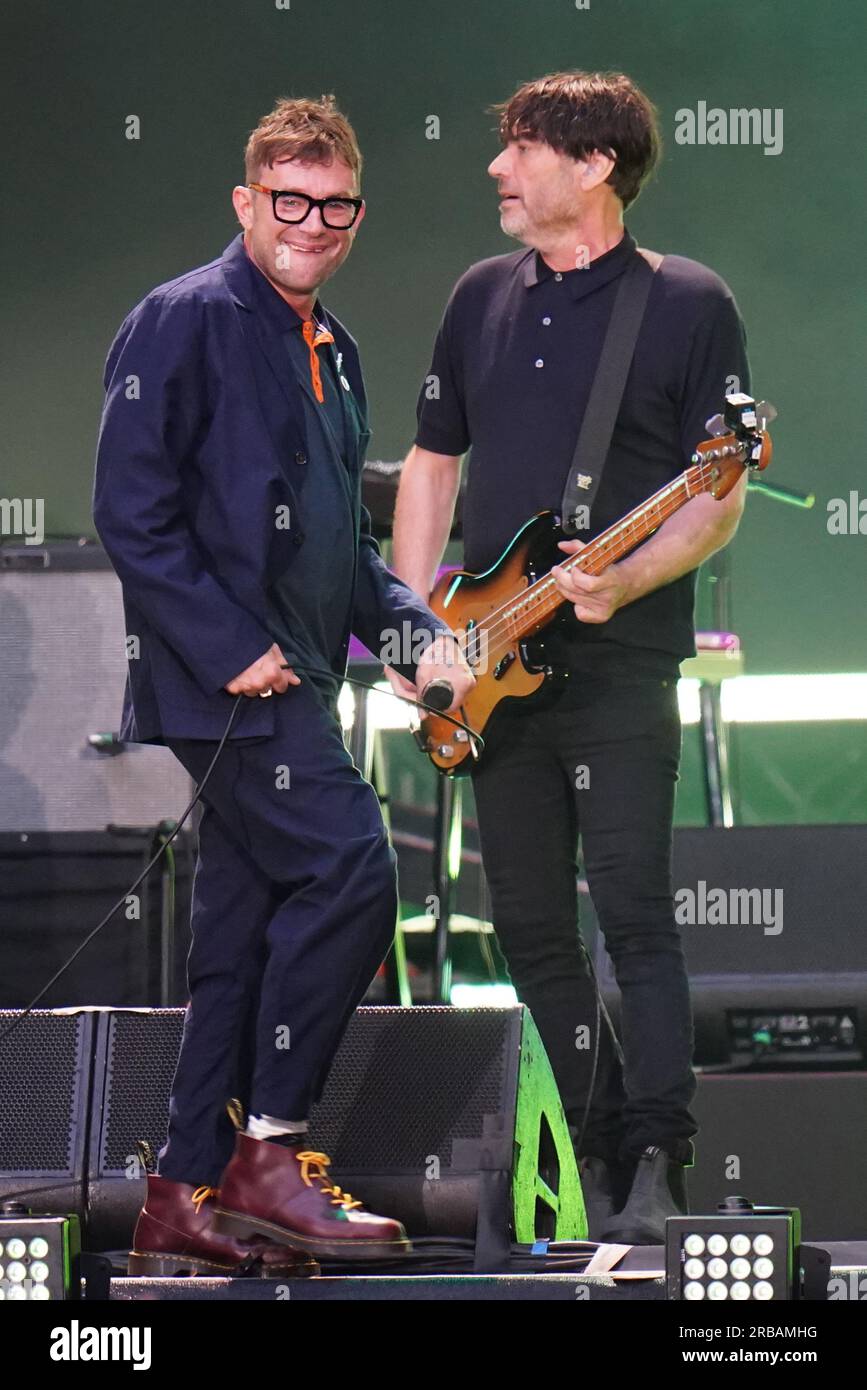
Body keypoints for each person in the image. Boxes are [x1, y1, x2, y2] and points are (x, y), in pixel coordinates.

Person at [93, 94, 474, 1274]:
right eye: (290, 202)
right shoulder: (183, 322)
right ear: (248, 203)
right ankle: (269, 1152)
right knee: (357, 869)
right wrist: (224, 643)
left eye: (335, 206)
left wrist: (415, 638)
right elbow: (130, 514)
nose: (313, 224)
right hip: (234, 694)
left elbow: (345, 553)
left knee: (239, 947)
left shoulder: (336, 348)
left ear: (355, 210)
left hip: (294, 682)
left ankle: (179, 1195)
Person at [390, 71, 751, 1243]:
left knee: (636, 916)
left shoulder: (688, 304)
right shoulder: (478, 297)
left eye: (524, 149)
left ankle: (659, 1156)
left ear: (596, 164)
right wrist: (412, 618)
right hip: (491, 676)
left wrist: (628, 576)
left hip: (619, 666)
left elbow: (720, 490)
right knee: (534, 931)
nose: (497, 169)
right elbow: (433, 463)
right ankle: (587, 1148)